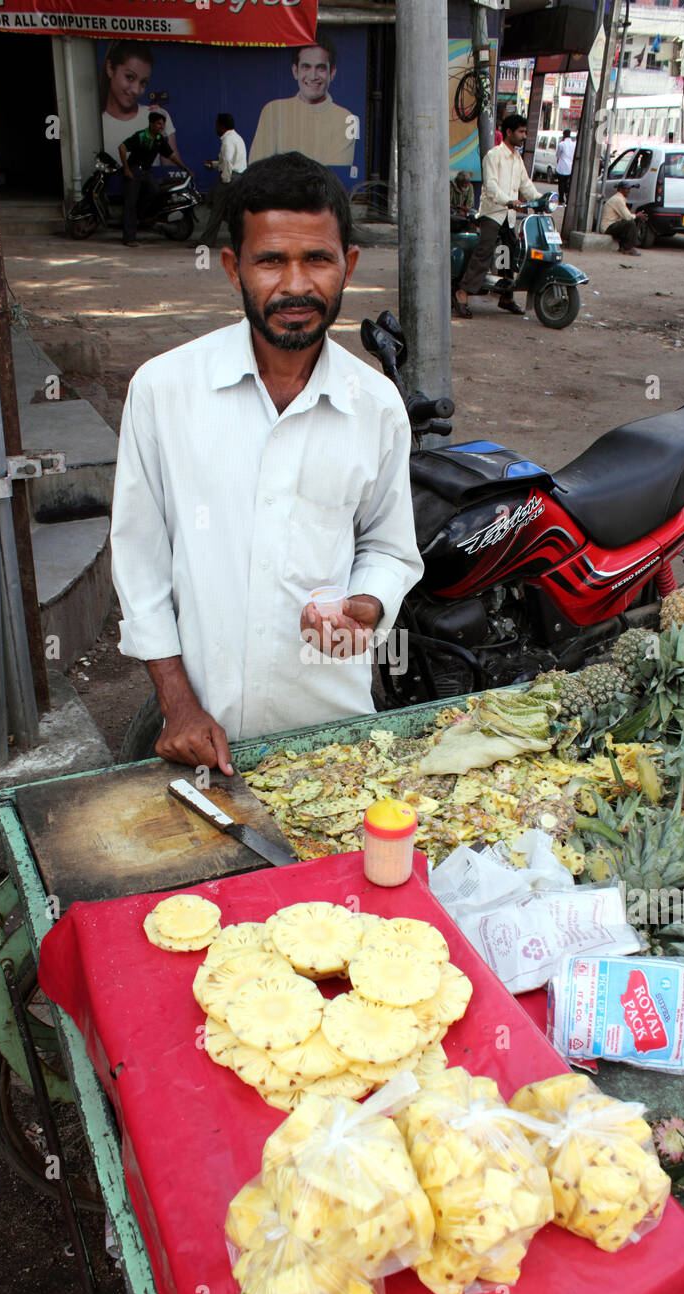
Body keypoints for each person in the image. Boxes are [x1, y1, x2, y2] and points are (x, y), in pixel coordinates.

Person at [110, 152, 423, 768]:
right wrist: (177, 702)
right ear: (234, 268)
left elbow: (389, 547)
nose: (296, 286)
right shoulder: (163, 389)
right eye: (271, 260)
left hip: (333, 739)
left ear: (348, 266)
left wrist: (369, 604)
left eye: (317, 259)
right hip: (200, 732)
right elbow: (141, 561)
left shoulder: (377, 405)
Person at [453, 114, 538, 319]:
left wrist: (543, 199)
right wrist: (509, 200)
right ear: (509, 132)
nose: (524, 136)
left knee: (509, 253)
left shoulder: (517, 159)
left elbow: (526, 185)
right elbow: (491, 186)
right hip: (492, 212)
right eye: (521, 132)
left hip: (508, 216)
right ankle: (462, 292)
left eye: (525, 132)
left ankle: (506, 297)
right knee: (485, 251)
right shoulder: (493, 156)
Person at [248, 35, 357, 169]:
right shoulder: (273, 111)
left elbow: (333, 178)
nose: (313, 76)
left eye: (320, 68)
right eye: (306, 67)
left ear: (332, 72)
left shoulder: (346, 119)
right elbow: (257, 171)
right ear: (295, 71)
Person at [100, 39, 181, 168]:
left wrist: (162, 136)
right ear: (110, 68)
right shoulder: (95, 124)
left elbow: (171, 173)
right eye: (129, 77)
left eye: (143, 83)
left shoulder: (156, 116)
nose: (136, 90)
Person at [118, 112, 192, 248]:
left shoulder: (159, 139)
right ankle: (129, 238)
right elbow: (122, 148)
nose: (161, 126)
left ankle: (141, 217)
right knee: (130, 203)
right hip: (134, 171)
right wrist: (126, 169)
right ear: (151, 124)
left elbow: (171, 156)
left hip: (147, 172)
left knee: (155, 191)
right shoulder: (140, 136)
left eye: (163, 124)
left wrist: (185, 169)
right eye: (158, 123)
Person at [202, 113, 248, 245]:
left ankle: (207, 241)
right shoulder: (237, 138)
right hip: (238, 176)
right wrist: (215, 164)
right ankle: (235, 228)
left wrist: (225, 180)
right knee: (219, 206)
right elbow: (230, 161)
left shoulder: (227, 141)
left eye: (216, 125)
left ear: (221, 126)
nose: (215, 127)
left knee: (215, 207)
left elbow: (228, 162)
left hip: (229, 178)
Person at [600, 181, 646, 255]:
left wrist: (637, 217)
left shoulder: (620, 198)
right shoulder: (618, 199)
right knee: (630, 222)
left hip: (613, 225)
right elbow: (628, 217)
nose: (628, 191)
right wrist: (637, 216)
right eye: (626, 189)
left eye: (629, 189)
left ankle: (627, 245)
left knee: (634, 220)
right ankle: (627, 248)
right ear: (620, 189)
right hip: (608, 227)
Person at [556, 128, 575, 205]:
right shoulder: (574, 144)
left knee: (561, 184)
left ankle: (561, 199)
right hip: (570, 167)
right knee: (568, 184)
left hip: (562, 167)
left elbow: (558, 154)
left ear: (564, 135)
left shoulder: (561, 144)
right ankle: (568, 198)